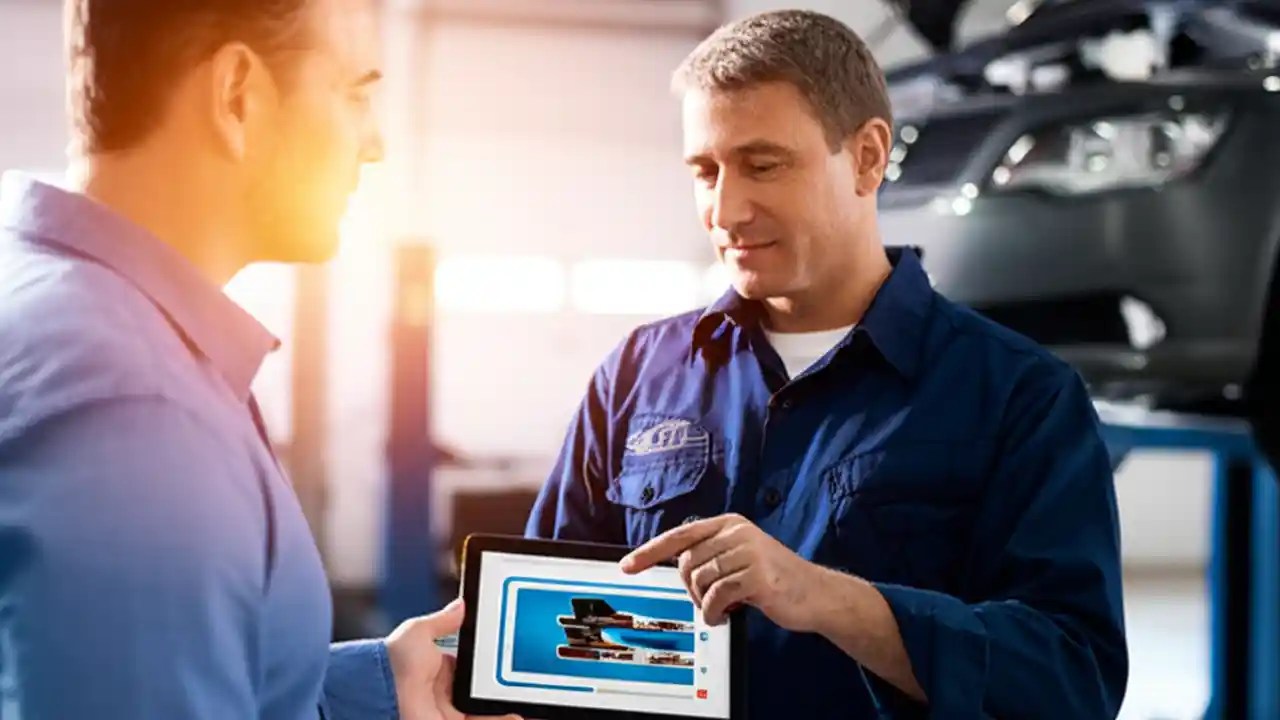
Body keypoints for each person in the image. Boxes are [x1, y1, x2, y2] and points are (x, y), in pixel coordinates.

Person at [526, 9, 1128, 719]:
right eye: (705, 171)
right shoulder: (636, 376)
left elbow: (1069, 678)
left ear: (868, 157)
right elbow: (544, 631)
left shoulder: (1019, 397)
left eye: (763, 165)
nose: (727, 209)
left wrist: (824, 597)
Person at [0, 2, 515, 719]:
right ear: (238, 94)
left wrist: (372, 687)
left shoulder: (69, 307)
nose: (374, 143)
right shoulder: (136, 413)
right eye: (354, 93)